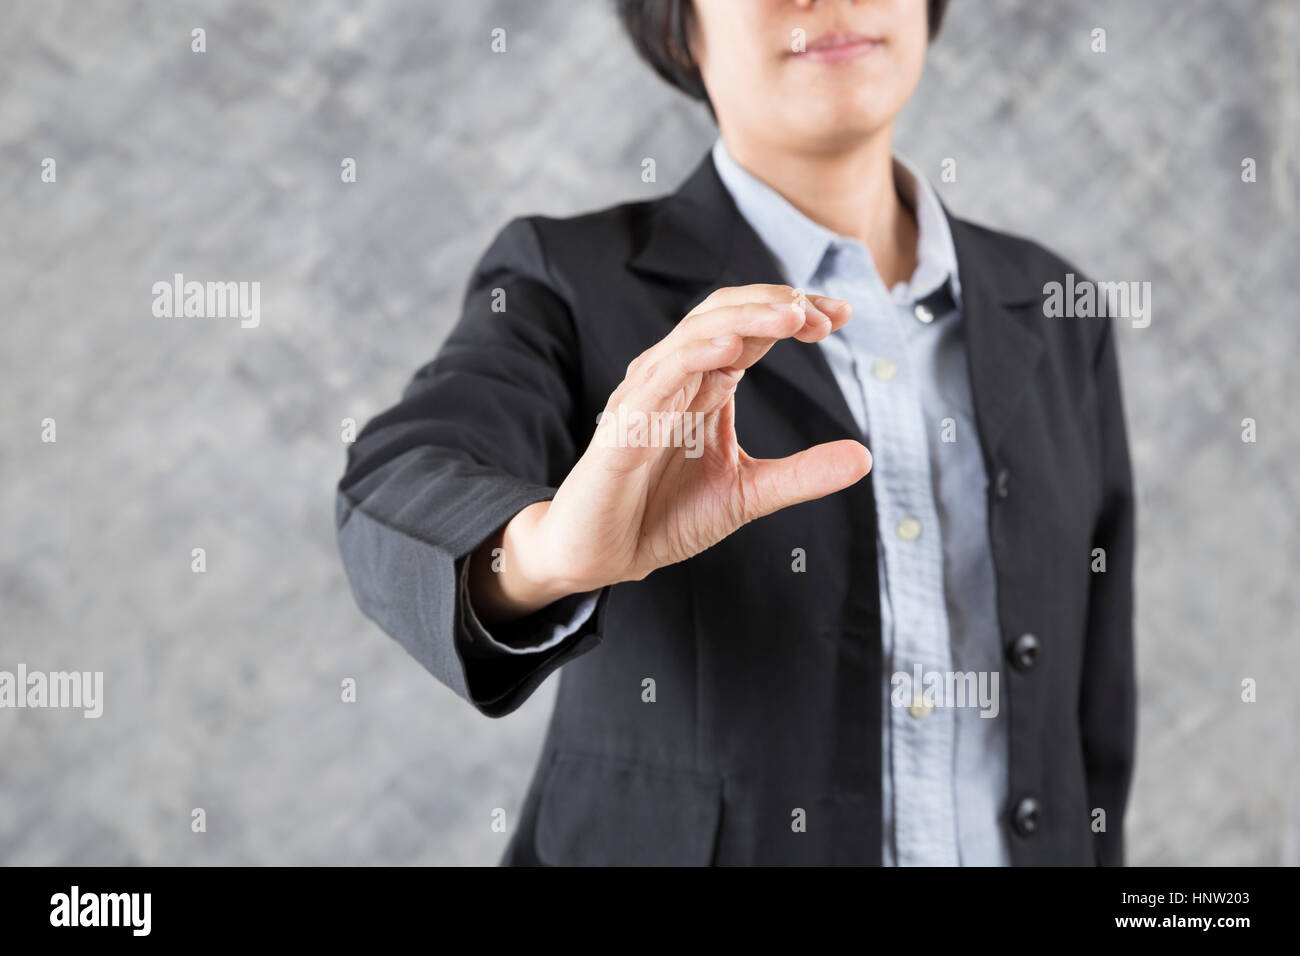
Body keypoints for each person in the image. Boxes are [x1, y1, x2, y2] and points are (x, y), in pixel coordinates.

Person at [335, 0, 1136, 866]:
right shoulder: (568, 279)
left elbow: (1091, 715)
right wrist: (546, 551)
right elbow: (396, 480)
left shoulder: (1057, 308)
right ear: (679, 26)